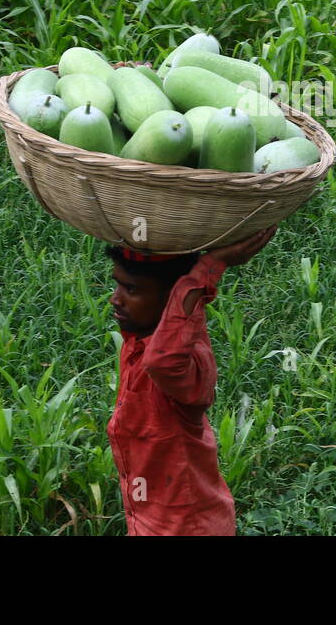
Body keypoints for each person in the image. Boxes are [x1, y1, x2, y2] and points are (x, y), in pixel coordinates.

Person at [105, 226, 277, 536]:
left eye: (131, 290)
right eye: (118, 286)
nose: (115, 299)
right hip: (149, 521)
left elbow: (163, 359)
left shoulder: (183, 366)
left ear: (172, 300)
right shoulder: (137, 341)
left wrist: (209, 267)